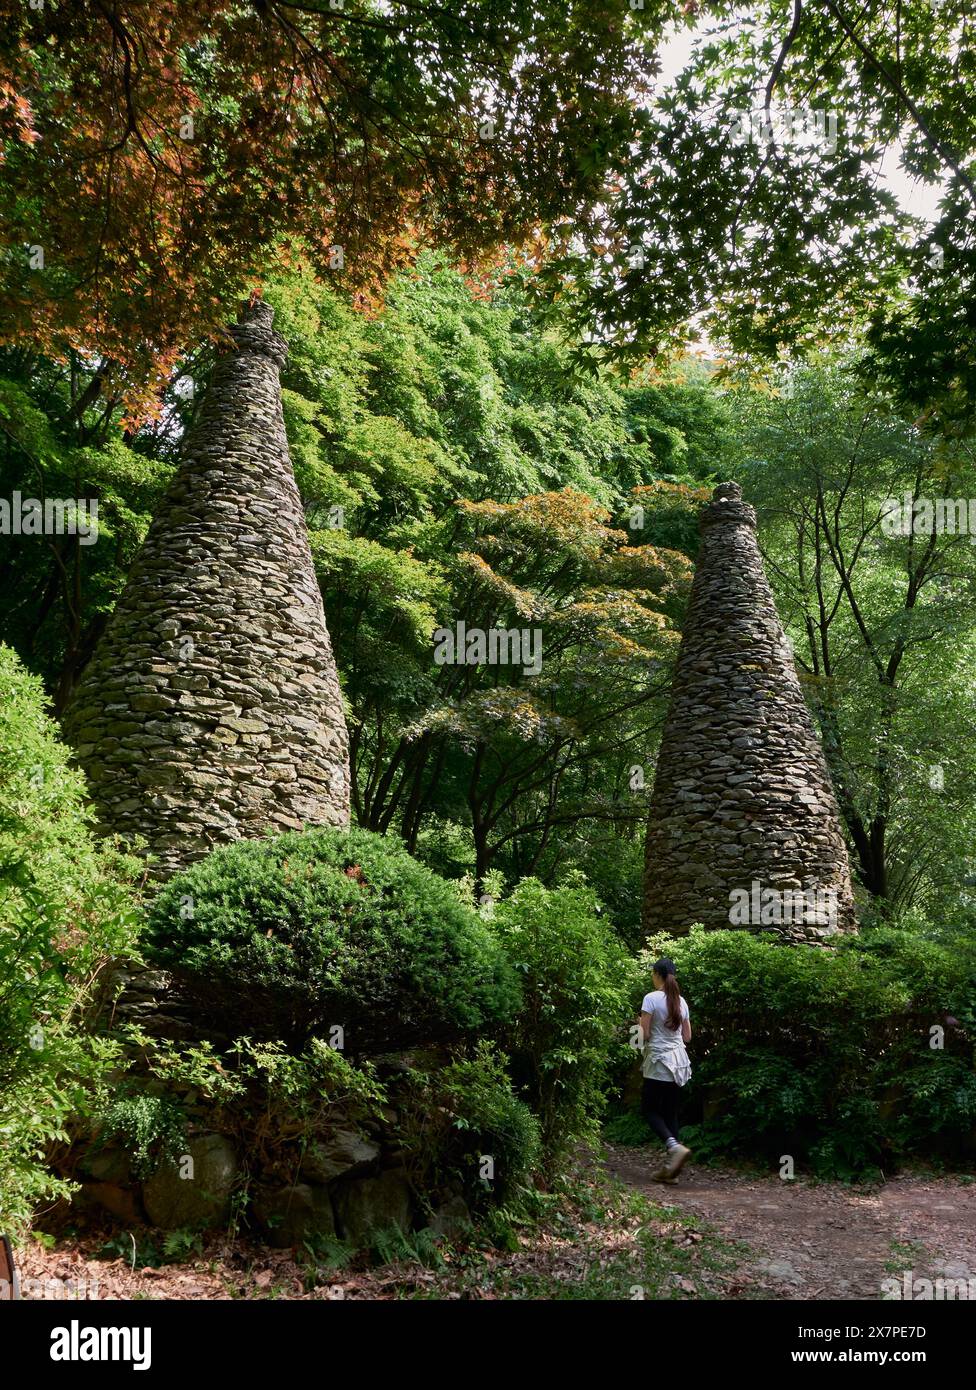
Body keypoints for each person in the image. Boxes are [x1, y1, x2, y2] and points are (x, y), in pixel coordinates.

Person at [639, 957, 692, 1182]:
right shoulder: (681, 1002)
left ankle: (674, 1147)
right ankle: (672, 1172)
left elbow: (645, 1034)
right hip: (679, 1063)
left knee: (649, 1109)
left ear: (657, 974)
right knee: (670, 1113)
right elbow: (687, 1037)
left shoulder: (650, 999)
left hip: (659, 1062)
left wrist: (638, 1023)